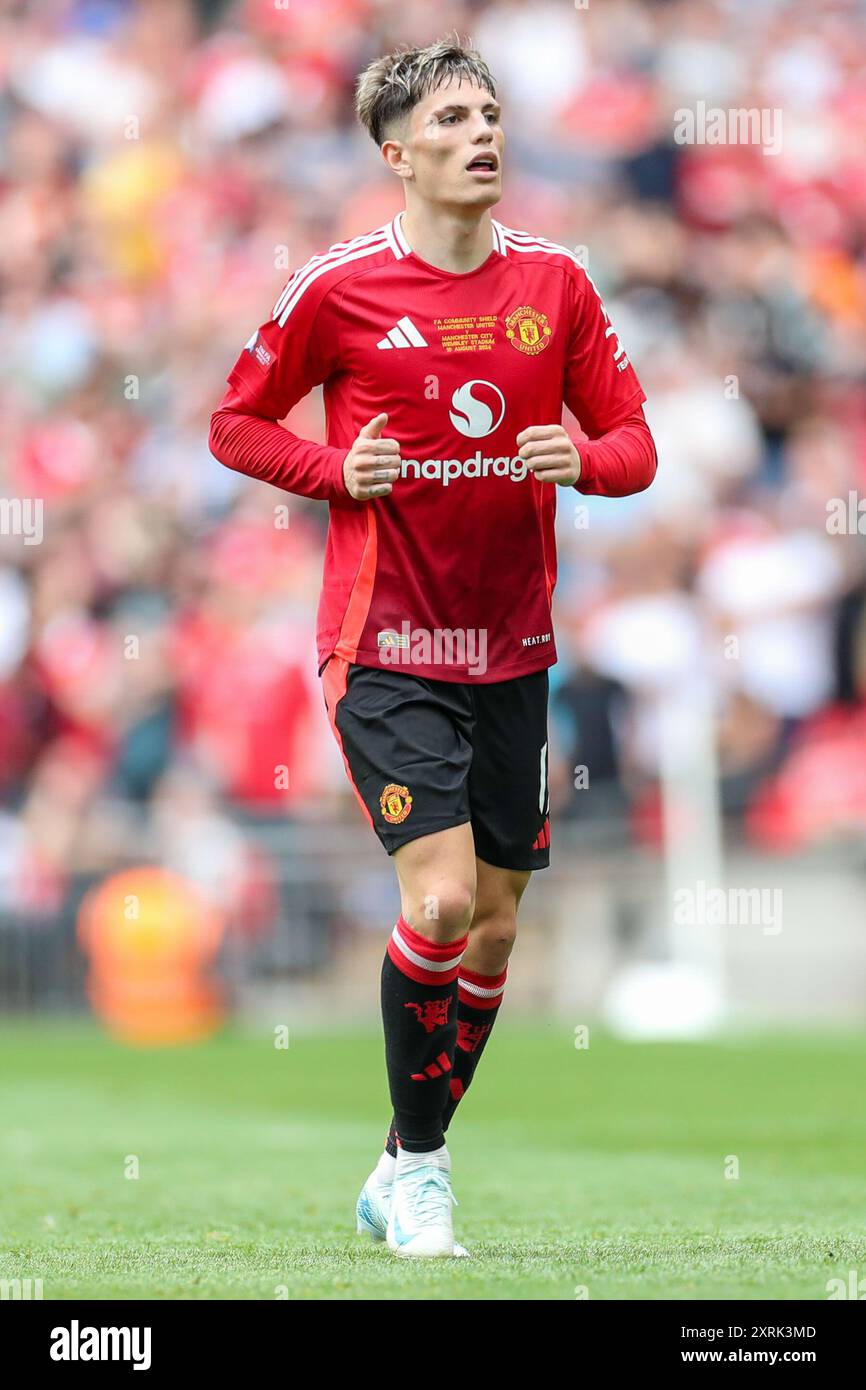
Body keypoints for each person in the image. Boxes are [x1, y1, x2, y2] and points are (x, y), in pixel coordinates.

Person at [209, 36, 657, 1259]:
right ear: (398, 153)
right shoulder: (339, 288)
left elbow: (633, 443)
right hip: (387, 642)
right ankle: (417, 1171)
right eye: (455, 118)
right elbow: (234, 423)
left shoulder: (555, 283)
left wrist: (588, 462)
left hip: (512, 647)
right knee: (445, 897)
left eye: (492, 114)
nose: (482, 134)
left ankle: (401, 1161)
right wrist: (329, 468)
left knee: (500, 923)